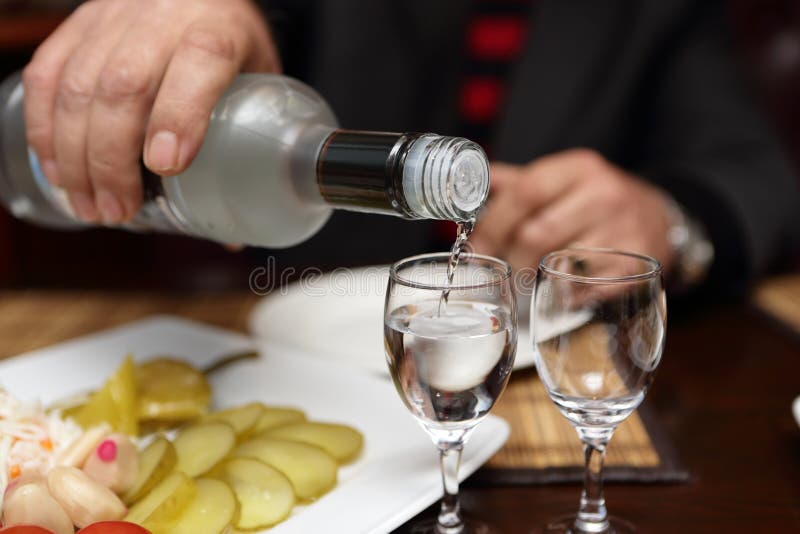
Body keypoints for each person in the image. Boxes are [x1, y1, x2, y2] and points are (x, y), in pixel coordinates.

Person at [20, 0, 800, 296]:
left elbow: (760, 178)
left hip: (541, 368)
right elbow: (257, 22)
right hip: (279, 331)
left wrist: (664, 220)